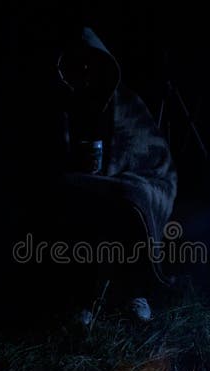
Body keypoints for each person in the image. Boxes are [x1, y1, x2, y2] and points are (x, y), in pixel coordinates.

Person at [31, 26, 178, 323]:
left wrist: (113, 168)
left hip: (130, 177)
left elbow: (148, 149)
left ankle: (134, 290)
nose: (85, 70)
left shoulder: (124, 103)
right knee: (70, 195)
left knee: (131, 199)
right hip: (82, 180)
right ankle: (83, 296)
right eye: (78, 63)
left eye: (91, 63)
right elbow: (48, 156)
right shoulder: (61, 106)